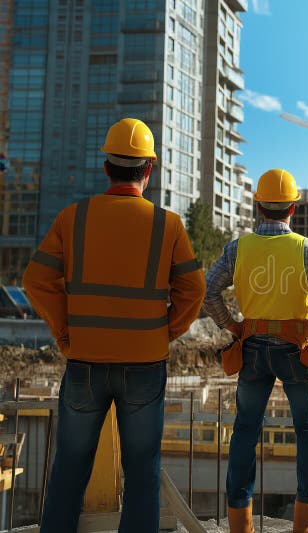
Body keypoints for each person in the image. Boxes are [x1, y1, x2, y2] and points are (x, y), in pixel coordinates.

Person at [23, 118, 205, 533]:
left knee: (69, 466)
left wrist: (63, 331)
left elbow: (35, 280)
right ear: (149, 170)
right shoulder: (168, 224)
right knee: (142, 471)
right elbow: (193, 292)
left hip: (84, 360)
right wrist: (164, 332)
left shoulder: (74, 218)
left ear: (107, 167)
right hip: (144, 363)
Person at [204, 168, 308, 533]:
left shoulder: (239, 247)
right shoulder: (307, 248)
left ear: (258, 205)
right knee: (307, 429)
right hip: (295, 347)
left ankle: (239, 522)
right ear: (293, 207)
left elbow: (209, 289)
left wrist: (232, 326)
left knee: (246, 429)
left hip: (251, 349)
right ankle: (305, 520)